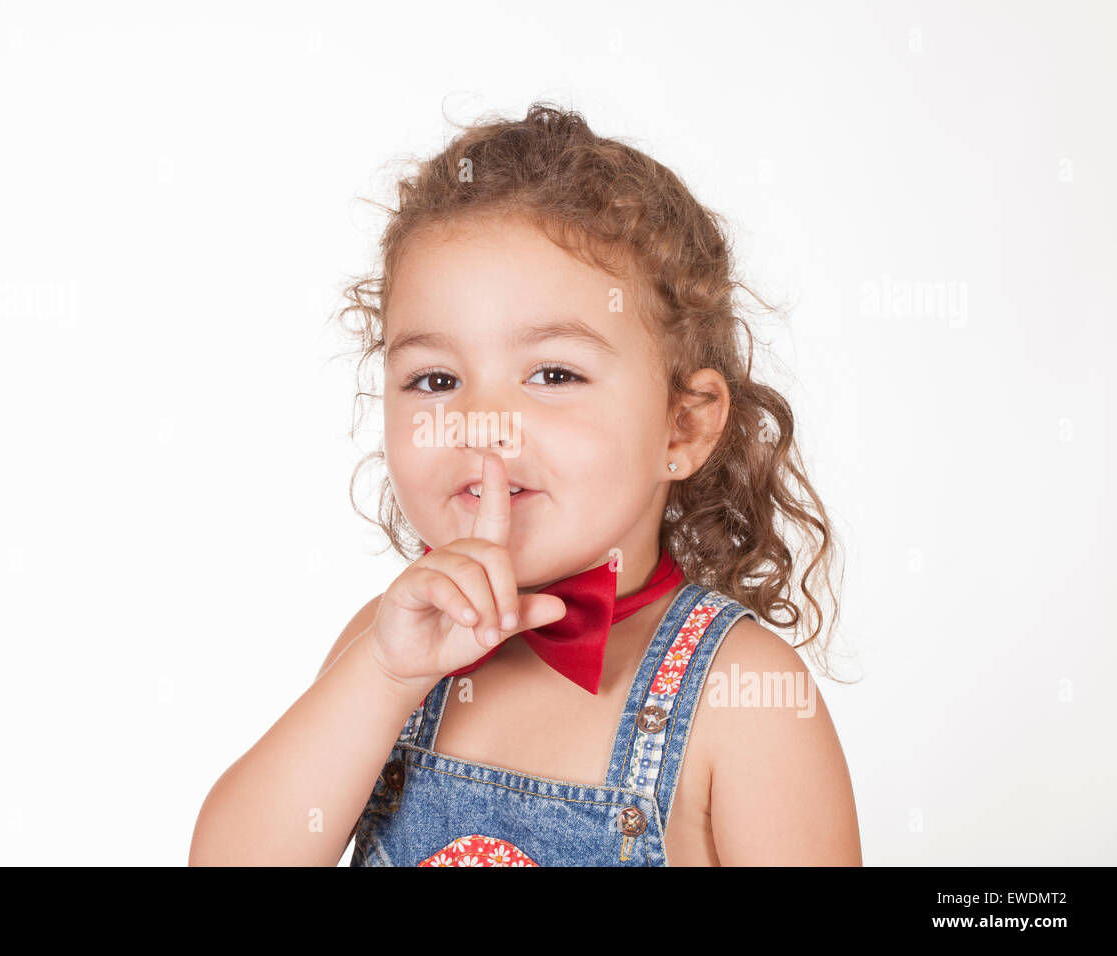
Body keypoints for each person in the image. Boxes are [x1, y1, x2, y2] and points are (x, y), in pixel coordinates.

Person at [188, 102, 861, 866]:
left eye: (553, 373)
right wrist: (381, 676)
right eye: (436, 378)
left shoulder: (742, 696)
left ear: (684, 427)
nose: (482, 423)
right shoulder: (387, 647)